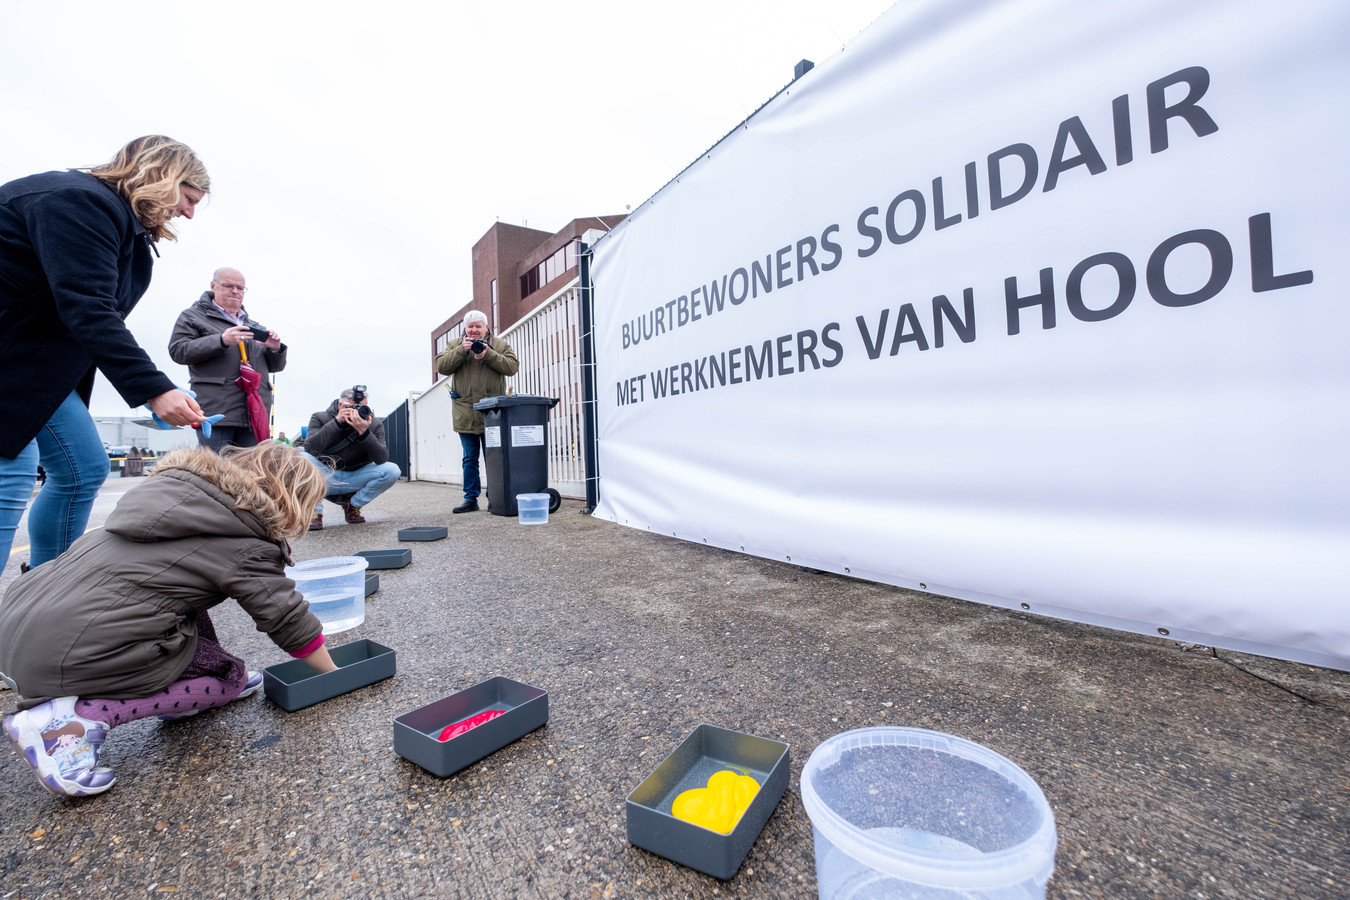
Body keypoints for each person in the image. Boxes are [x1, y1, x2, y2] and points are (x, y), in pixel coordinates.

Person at [0, 442, 338, 797]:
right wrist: (334, 675)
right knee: (227, 684)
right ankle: (67, 725)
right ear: (287, 498)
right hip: (64, 656)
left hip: (17, 632)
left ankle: (180, 690)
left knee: (175, 599)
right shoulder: (243, 541)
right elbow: (286, 617)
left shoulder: (172, 500)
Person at [0, 136, 209, 572]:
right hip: (12, 355)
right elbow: (88, 307)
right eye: (188, 198)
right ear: (162, 176)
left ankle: (44, 594)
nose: (189, 212)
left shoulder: (122, 225)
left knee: (82, 469)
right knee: (10, 473)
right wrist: (154, 389)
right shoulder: (78, 202)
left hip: (31, 365)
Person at [168, 267, 286, 451]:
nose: (235, 291)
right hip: (217, 412)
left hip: (255, 414)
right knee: (215, 472)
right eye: (228, 286)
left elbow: (275, 367)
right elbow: (178, 350)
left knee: (252, 474)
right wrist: (221, 340)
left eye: (240, 288)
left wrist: (275, 349)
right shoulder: (192, 316)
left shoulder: (254, 326)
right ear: (213, 286)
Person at [435, 310, 518, 513]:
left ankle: (495, 497)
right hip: (466, 411)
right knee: (469, 457)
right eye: (470, 326)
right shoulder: (455, 345)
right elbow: (441, 366)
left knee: (494, 457)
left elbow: (512, 367)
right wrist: (461, 352)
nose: (474, 330)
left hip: (492, 413)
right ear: (465, 329)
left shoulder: (499, 345)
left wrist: (488, 354)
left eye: (478, 326)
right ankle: (470, 499)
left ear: (486, 328)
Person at [300, 387, 401, 529]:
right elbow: (310, 448)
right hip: (326, 477)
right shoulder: (320, 417)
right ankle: (315, 513)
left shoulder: (374, 424)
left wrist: (364, 432)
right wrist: (337, 422)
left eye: (363, 408)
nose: (357, 412)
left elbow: (381, 458)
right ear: (341, 406)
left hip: (356, 477)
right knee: (302, 458)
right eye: (352, 407)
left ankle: (353, 505)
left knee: (392, 470)